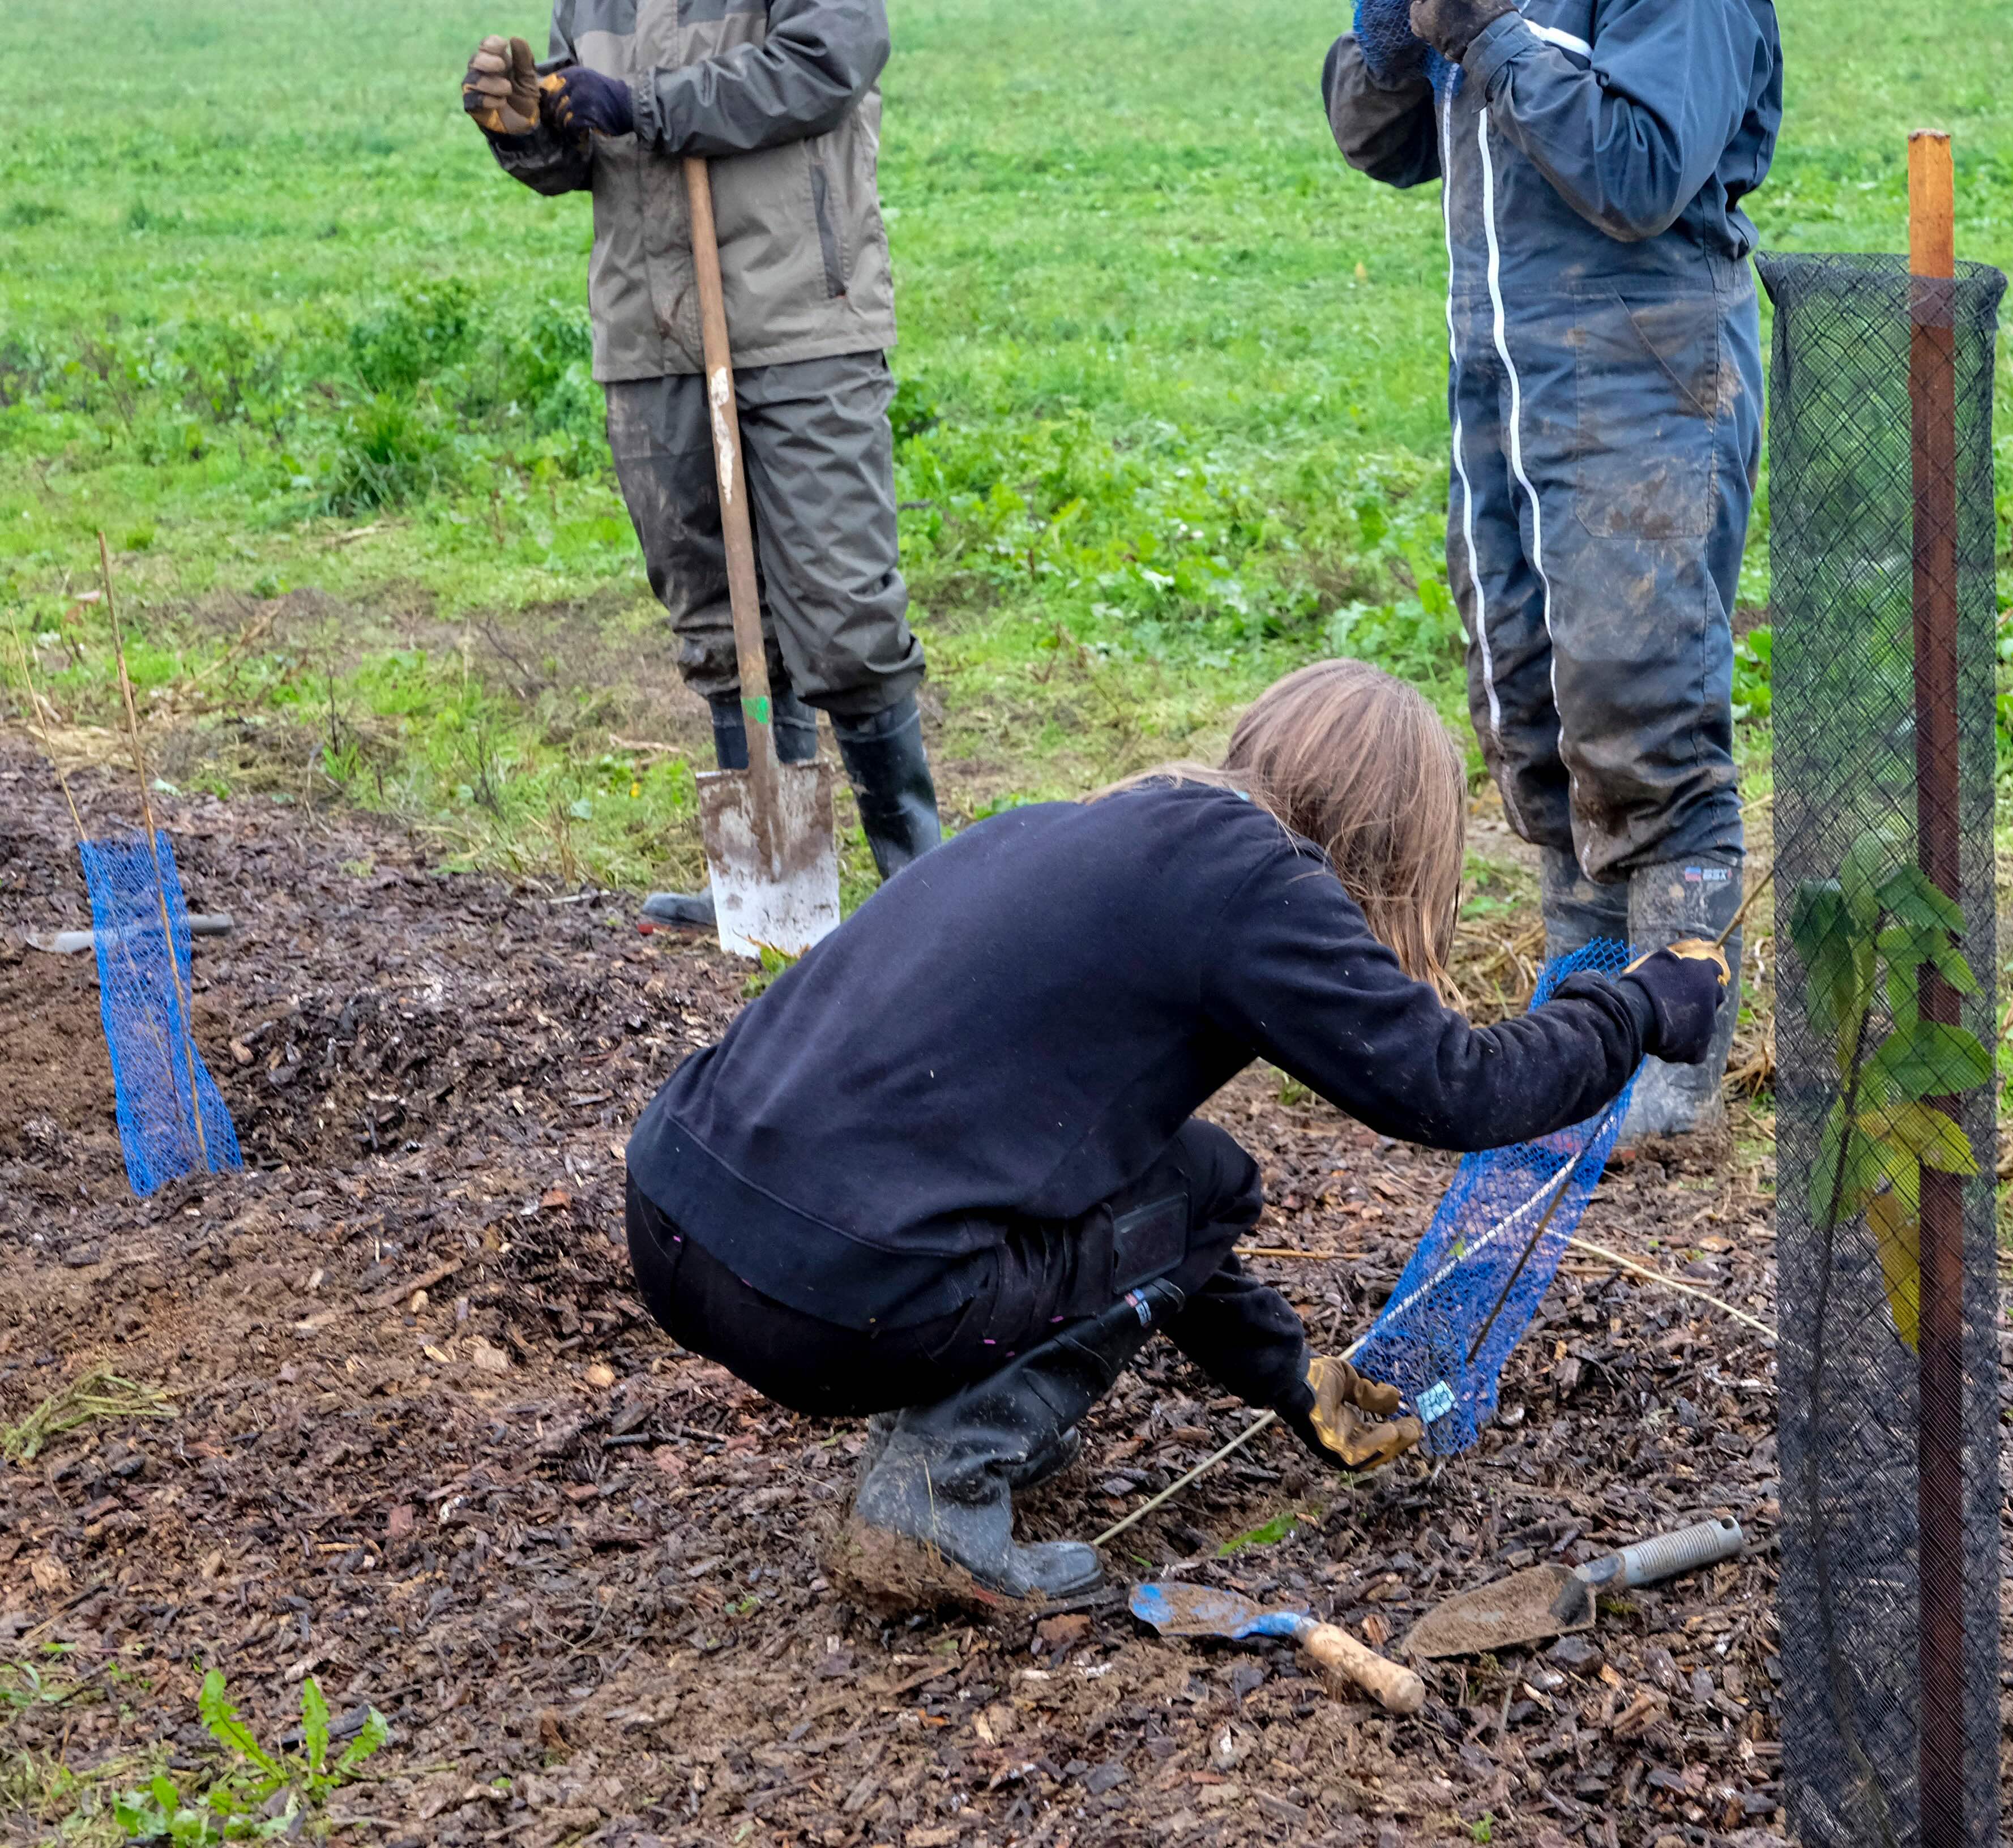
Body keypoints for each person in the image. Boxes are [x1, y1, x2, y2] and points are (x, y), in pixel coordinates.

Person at [621, 661, 1729, 1607]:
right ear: (1397, 837)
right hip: (819, 1303)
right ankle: (935, 1490)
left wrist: (1291, 1376)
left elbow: (1144, 1204)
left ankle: (969, 1412)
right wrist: (1637, 1009)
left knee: (1186, 1178)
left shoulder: (1081, 833)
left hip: (675, 1210)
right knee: (1207, 1183)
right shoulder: (1260, 886)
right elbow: (1456, 1092)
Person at [1319, 0, 1781, 1139]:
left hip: (1642, 362)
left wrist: (1491, 39)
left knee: (1641, 702)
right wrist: (1389, 48)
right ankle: (1585, 1028)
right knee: (1533, 706)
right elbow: (1381, 146)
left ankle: (1675, 1069)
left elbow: (1643, 170)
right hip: (1506, 373)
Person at [460, 6, 942, 932]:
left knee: (844, 616)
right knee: (714, 619)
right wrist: (526, 127)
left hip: (803, 318)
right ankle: (767, 884)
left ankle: (922, 891)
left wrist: (643, 102)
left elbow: (829, 63)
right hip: (649, 330)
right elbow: (586, 136)